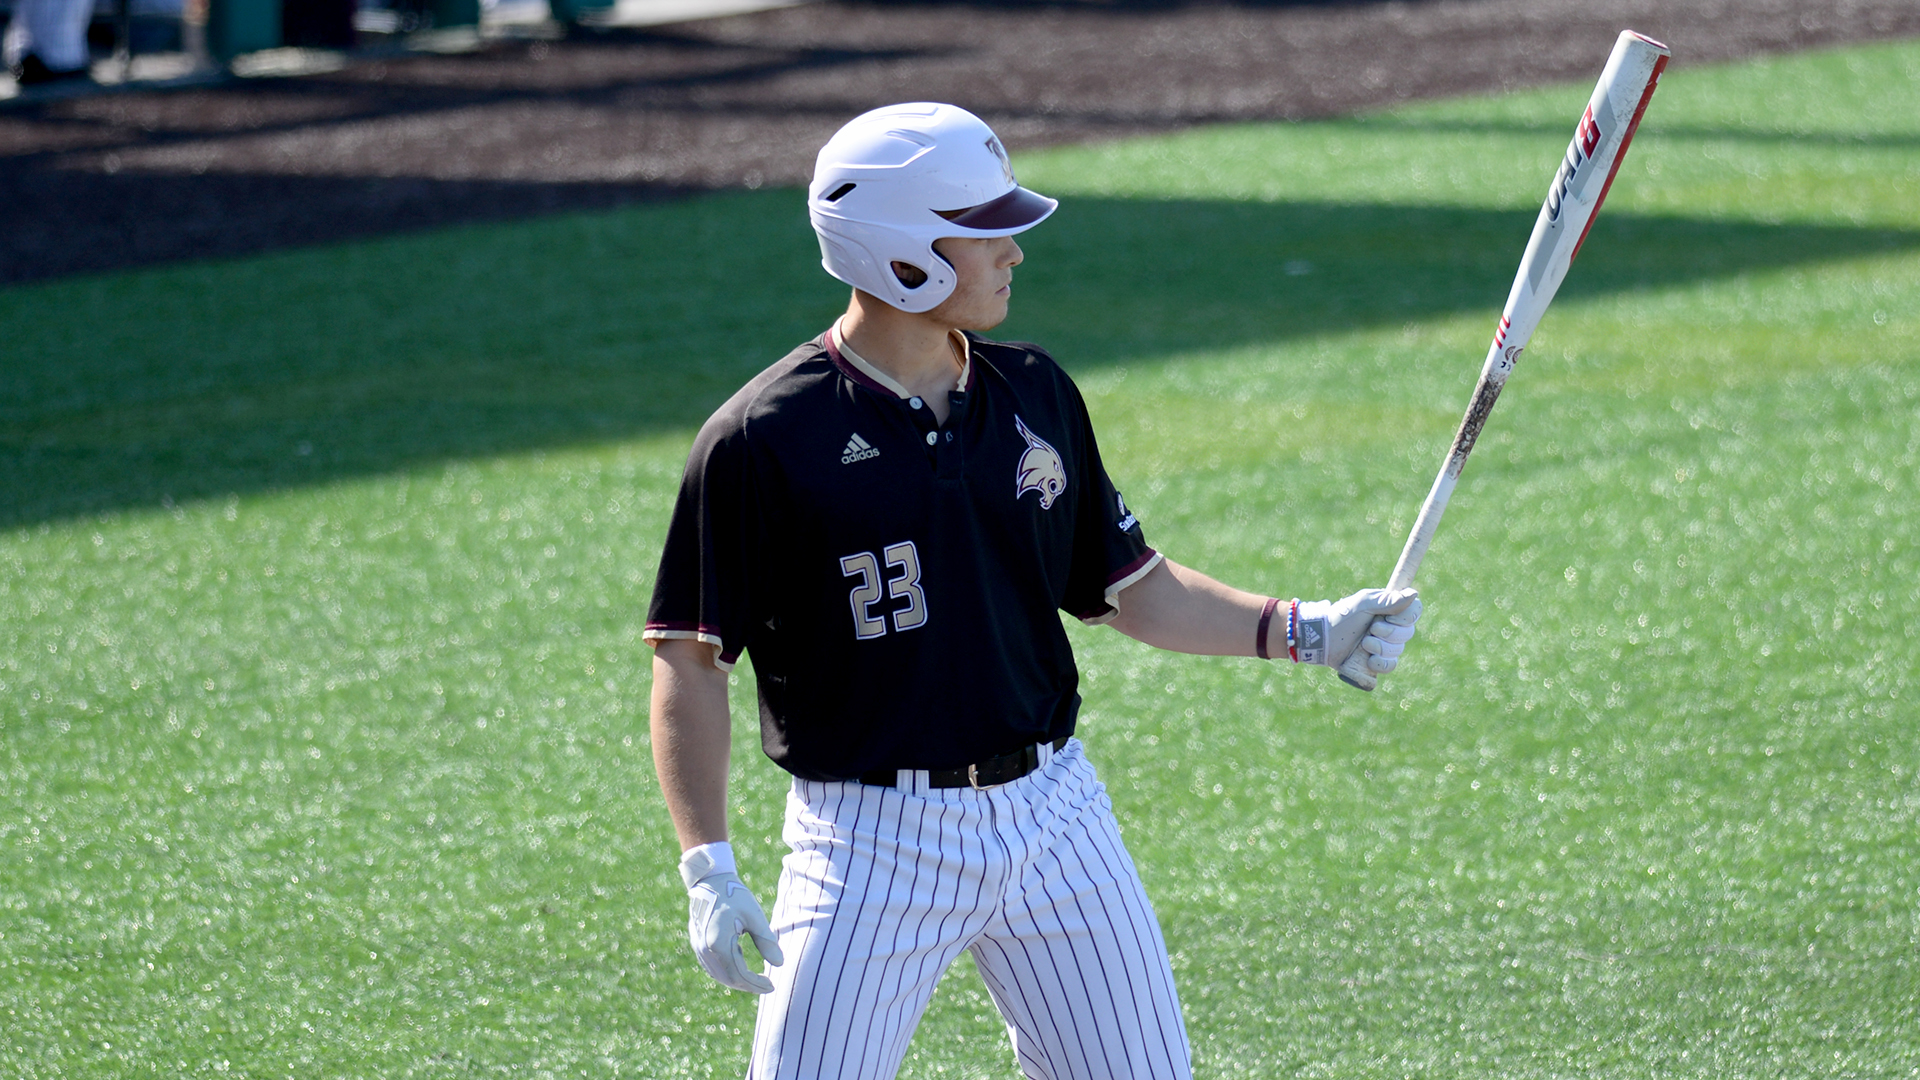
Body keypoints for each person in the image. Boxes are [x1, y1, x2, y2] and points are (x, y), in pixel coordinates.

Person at [644, 101, 1422, 1080]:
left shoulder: (1036, 393)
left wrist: (1306, 631)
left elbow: (1130, 588)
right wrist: (707, 867)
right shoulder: (762, 439)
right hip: (871, 845)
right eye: (986, 230)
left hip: (1058, 820)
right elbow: (690, 659)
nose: (1014, 250)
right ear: (902, 249)